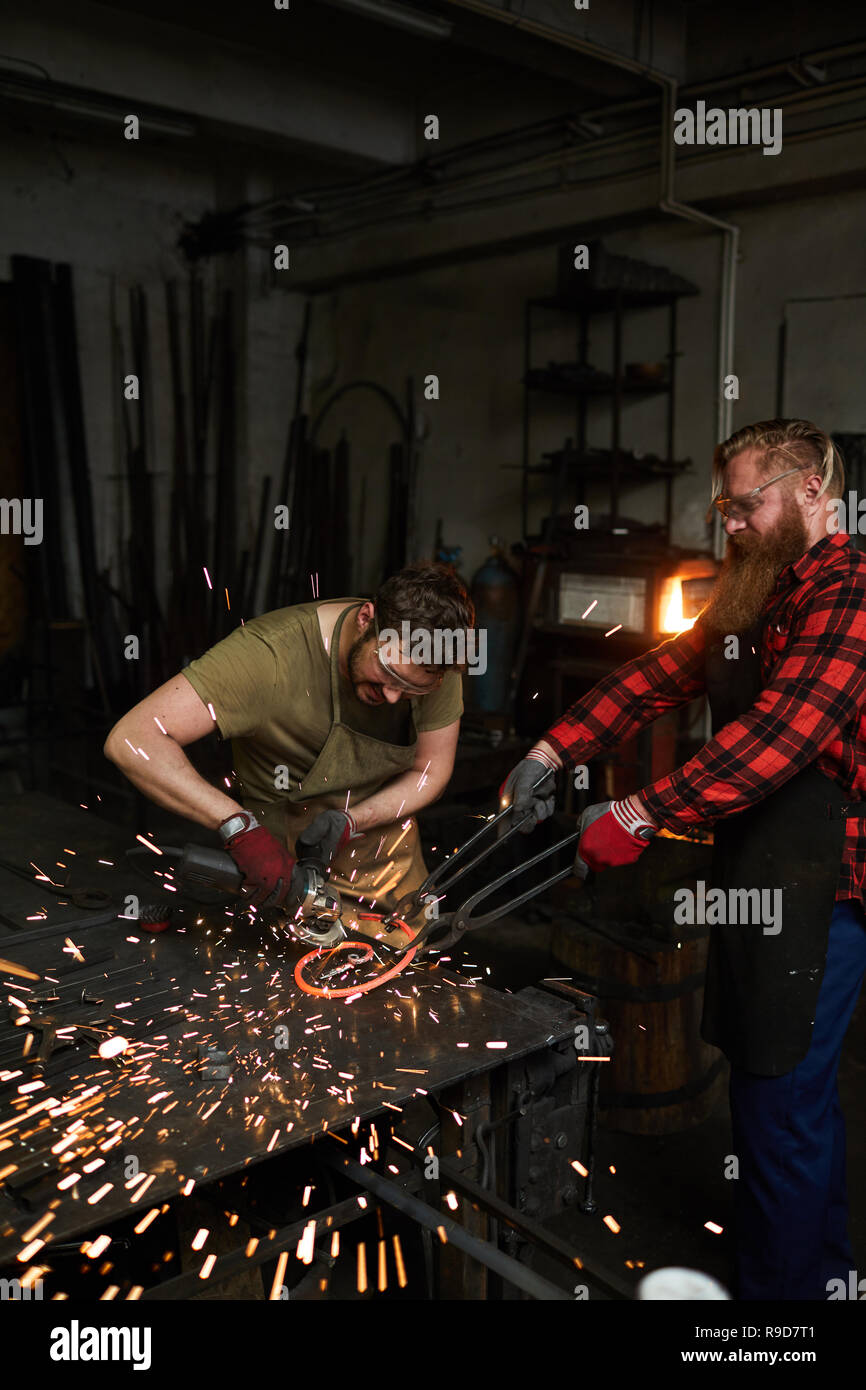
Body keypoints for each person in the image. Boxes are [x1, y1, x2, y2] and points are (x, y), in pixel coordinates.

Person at [501, 419, 866, 1301]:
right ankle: (827, 1278)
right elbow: (663, 672)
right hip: (763, 877)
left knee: (779, 1106)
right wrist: (554, 751)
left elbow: (780, 739)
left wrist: (638, 812)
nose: (731, 524)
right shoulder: (759, 587)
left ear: (813, 490)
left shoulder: (851, 588)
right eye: (726, 507)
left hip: (827, 896)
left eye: (749, 505)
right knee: (779, 1099)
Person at [105, 562, 474, 941]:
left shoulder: (432, 653)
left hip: (394, 888)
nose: (396, 696)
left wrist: (351, 821)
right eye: (389, 675)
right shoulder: (268, 658)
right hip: (289, 885)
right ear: (367, 618)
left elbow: (430, 770)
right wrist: (237, 825)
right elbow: (133, 739)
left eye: (413, 690)